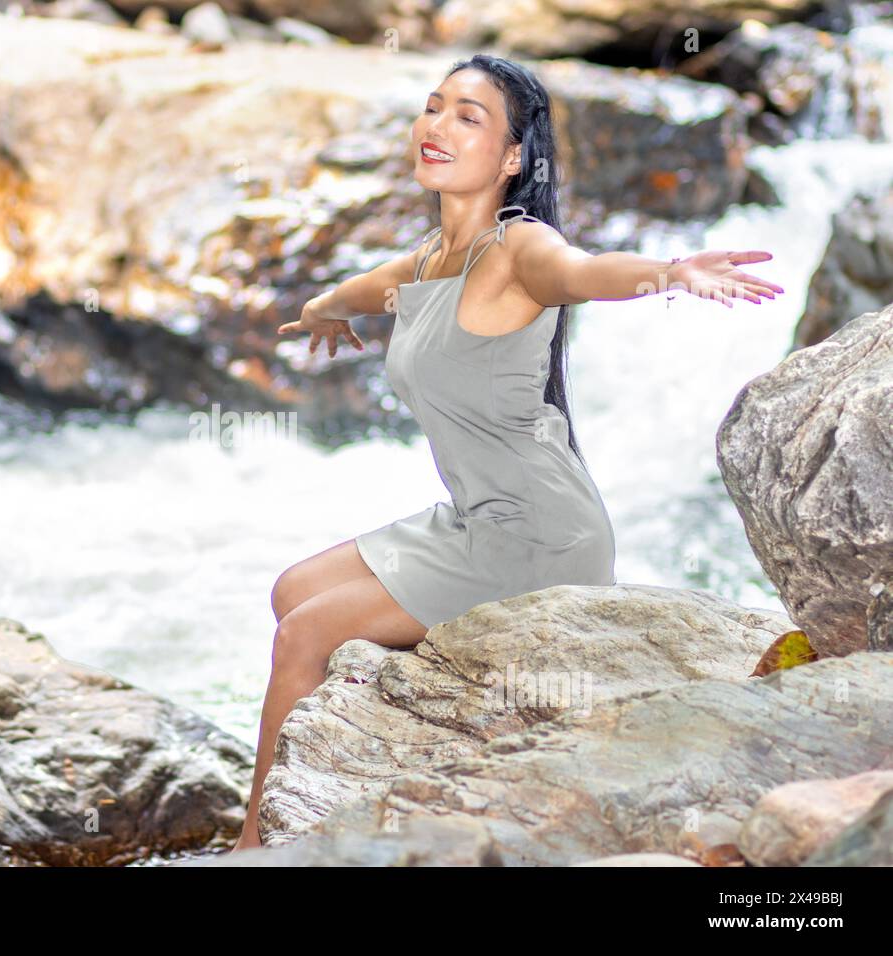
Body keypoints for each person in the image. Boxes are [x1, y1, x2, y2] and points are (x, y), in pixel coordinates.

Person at [234, 54, 784, 853]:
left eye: (469, 116)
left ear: (514, 157)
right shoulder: (429, 258)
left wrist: (671, 271)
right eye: (434, 107)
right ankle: (361, 756)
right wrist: (323, 307)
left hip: (535, 536)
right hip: (471, 518)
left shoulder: (521, 249)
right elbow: (369, 287)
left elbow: (585, 272)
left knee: (305, 635)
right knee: (293, 589)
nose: (438, 126)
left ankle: (257, 845)